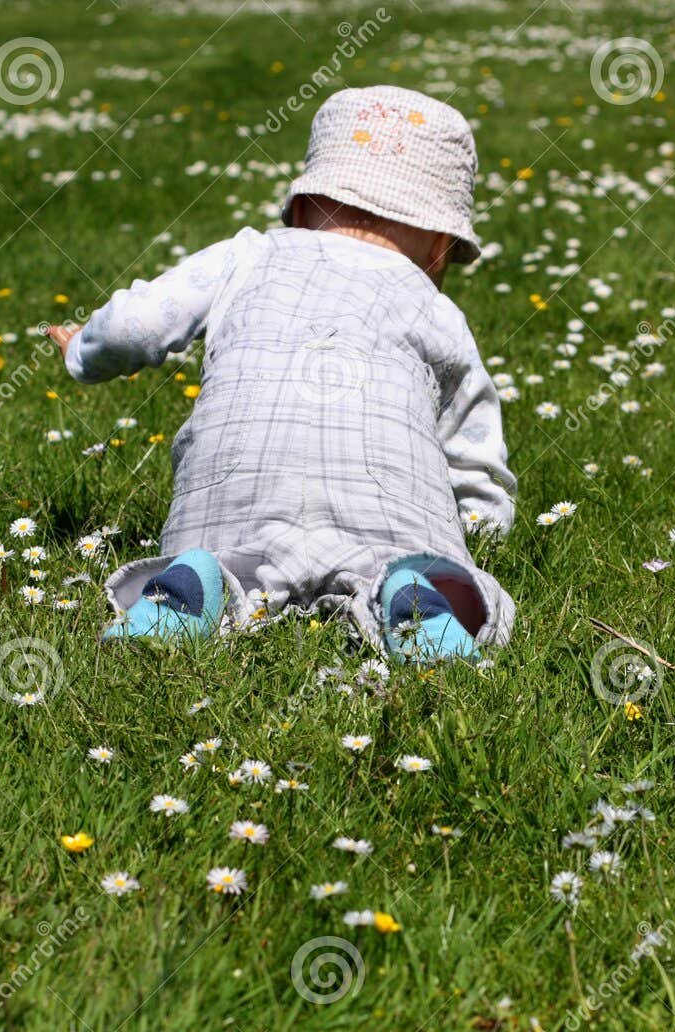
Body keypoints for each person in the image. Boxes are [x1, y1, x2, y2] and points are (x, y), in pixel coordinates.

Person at [46, 85, 516, 662]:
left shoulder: (249, 255)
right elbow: (474, 452)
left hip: (228, 508)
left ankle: (193, 586)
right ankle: (414, 595)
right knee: (416, 564)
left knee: (215, 557)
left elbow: (137, 325)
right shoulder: (437, 309)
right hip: (393, 516)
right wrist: (479, 531)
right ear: (441, 248)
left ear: (297, 209)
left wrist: (84, 353)